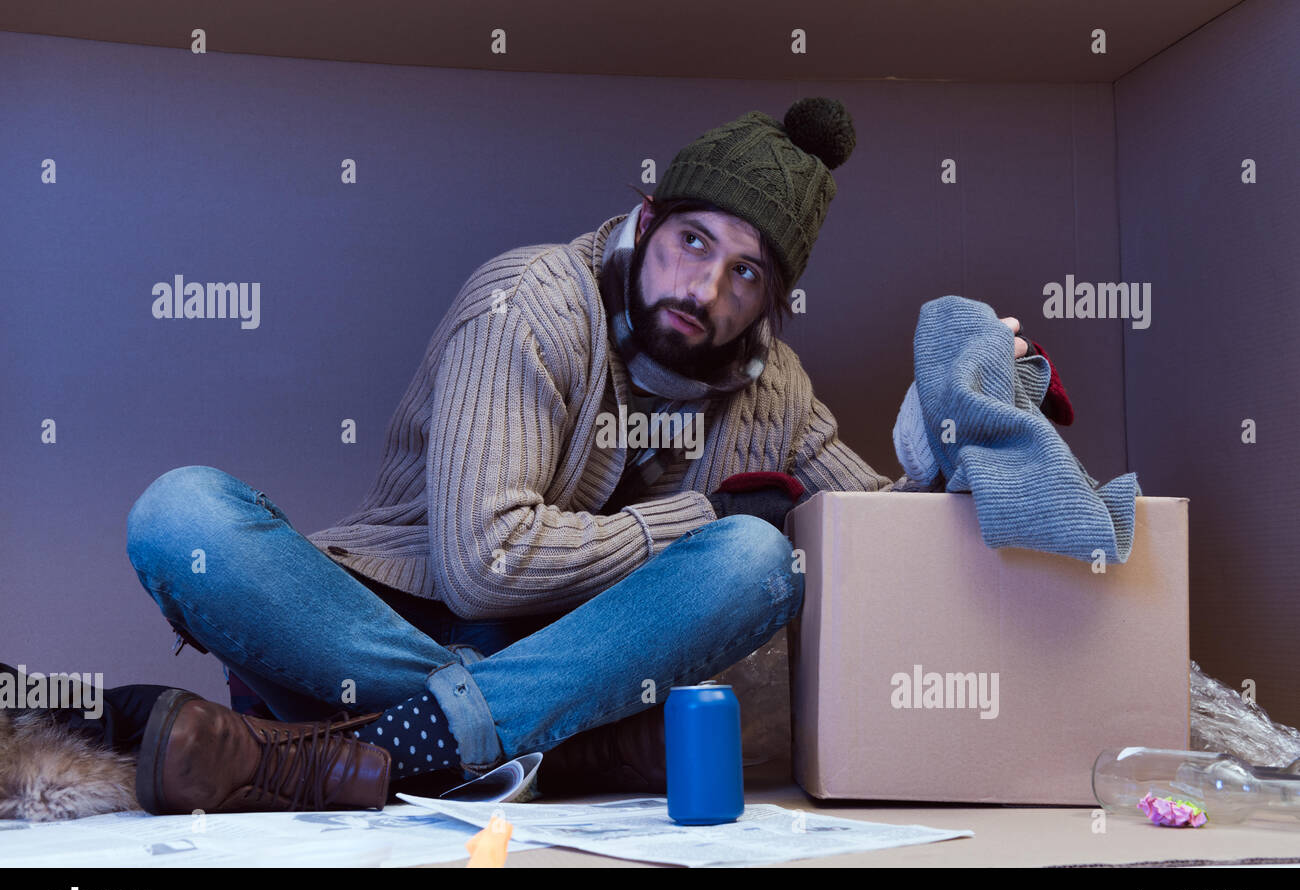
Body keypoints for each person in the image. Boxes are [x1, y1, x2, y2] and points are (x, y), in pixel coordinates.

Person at [124, 97, 1071, 814]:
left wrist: (975, 398)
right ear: (649, 218)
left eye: (746, 273)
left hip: (571, 660)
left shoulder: (771, 382)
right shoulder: (531, 300)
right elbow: (483, 566)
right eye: (693, 241)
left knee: (759, 562)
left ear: (772, 299)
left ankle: (321, 753)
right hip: (388, 619)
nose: (704, 289)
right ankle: (551, 742)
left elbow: (877, 541)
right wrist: (691, 520)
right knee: (183, 515)